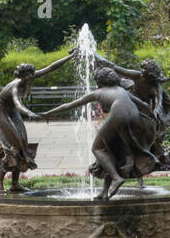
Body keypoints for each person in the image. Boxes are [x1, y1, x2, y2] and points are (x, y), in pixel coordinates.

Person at [40, 66, 157, 201]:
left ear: (99, 82)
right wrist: (152, 121)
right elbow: (144, 105)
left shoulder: (99, 92)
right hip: (134, 115)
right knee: (110, 151)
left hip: (119, 113)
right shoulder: (122, 91)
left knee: (97, 148)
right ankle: (104, 192)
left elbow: (70, 105)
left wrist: (48, 113)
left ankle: (116, 178)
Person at [0, 49, 76, 194]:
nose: (30, 78)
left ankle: (15, 183)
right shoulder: (15, 86)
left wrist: (71, 56)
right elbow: (18, 103)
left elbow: (51, 68)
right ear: (21, 76)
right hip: (2, 111)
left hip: (13, 111)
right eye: (27, 76)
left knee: (23, 144)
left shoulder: (30, 77)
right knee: (15, 146)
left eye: (31, 75)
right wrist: (30, 113)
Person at [92, 54, 170, 168]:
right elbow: (114, 67)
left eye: (144, 71)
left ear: (150, 75)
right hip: (130, 101)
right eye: (143, 70)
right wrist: (93, 54)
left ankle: (151, 157)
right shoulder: (138, 75)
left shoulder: (155, 86)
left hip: (141, 107)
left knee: (148, 134)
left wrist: (155, 113)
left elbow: (158, 102)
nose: (142, 72)